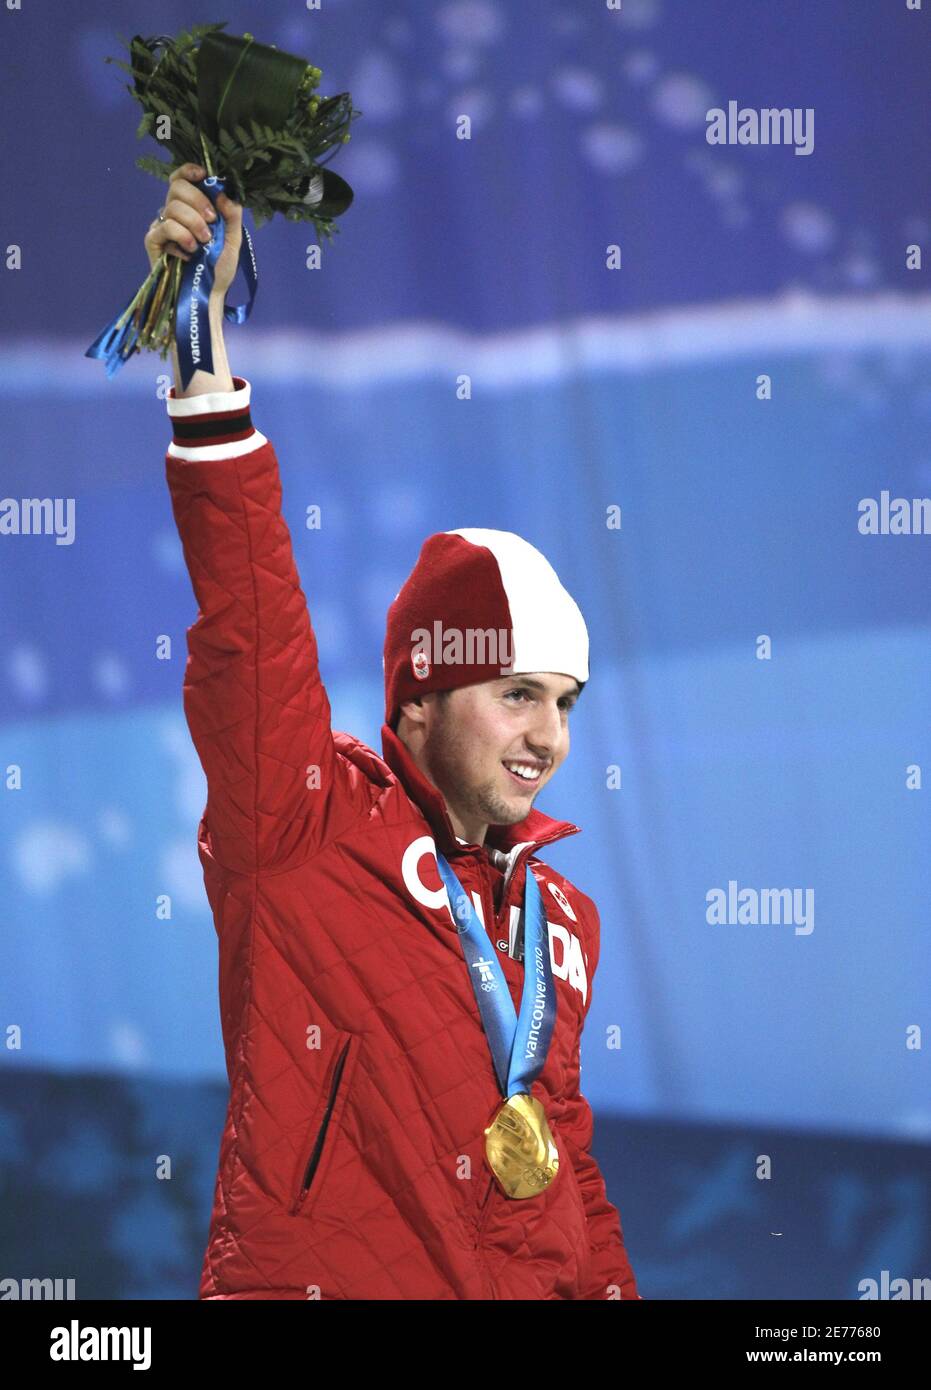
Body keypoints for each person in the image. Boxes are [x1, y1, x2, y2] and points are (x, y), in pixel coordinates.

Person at [148, 163, 642, 1300]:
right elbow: (252, 632)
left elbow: (563, 1160)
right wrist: (200, 353)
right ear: (417, 697)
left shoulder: (558, 920)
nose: (550, 737)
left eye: (565, 702)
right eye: (517, 693)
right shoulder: (303, 827)